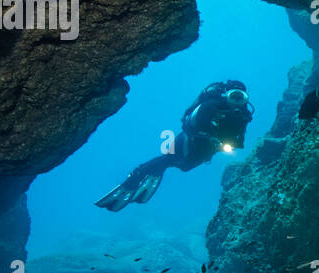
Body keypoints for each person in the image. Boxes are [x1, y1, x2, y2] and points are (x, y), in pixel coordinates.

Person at [94, 81, 253, 211]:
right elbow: (189, 127)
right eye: (234, 96)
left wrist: (224, 145)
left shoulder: (244, 115)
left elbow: (239, 142)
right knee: (168, 159)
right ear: (227, 95)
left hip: (207, 149)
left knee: (183, 167)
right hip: (189, 140)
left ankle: (155, 173)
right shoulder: (211, 106)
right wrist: (208, 137)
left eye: (241, 98)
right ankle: (133, 178)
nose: (237, 102)